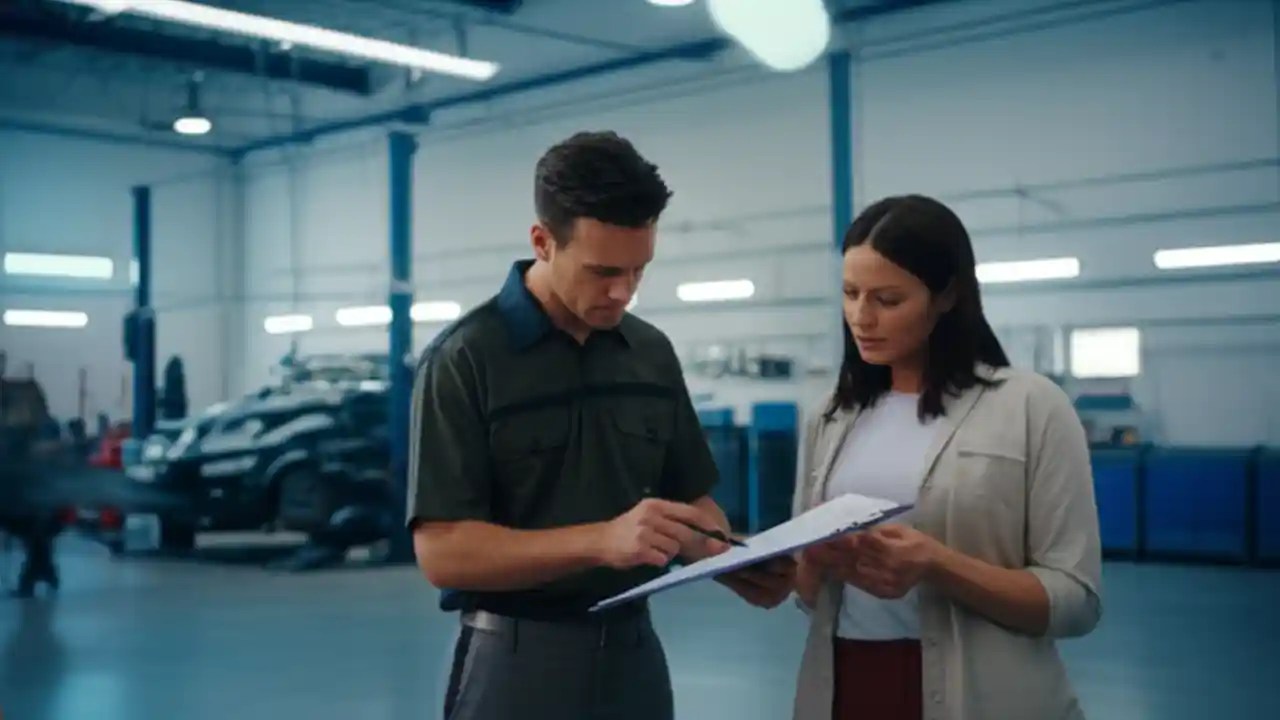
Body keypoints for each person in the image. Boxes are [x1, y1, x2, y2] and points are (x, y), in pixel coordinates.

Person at [407, 130, 795, 720]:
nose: (623, 291)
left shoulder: (650, 353)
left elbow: (690, 500)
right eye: (602, 271)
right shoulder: (466, 360)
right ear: (542, 241)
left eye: (639, 270)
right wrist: (601, 541)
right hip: (516, 662)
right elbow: (443, 553)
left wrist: (728, 559)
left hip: (634, 656)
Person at [789, 195, 1102, 720]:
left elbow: (1076, 601)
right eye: (850, 294)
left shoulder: (1030, 407)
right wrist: (814, 564)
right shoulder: (830, 417)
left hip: (983, 695)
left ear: (947, 295)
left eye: (888, 300)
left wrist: (938, 564)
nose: (861, 318)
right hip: (847, 685)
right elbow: (806, 596)